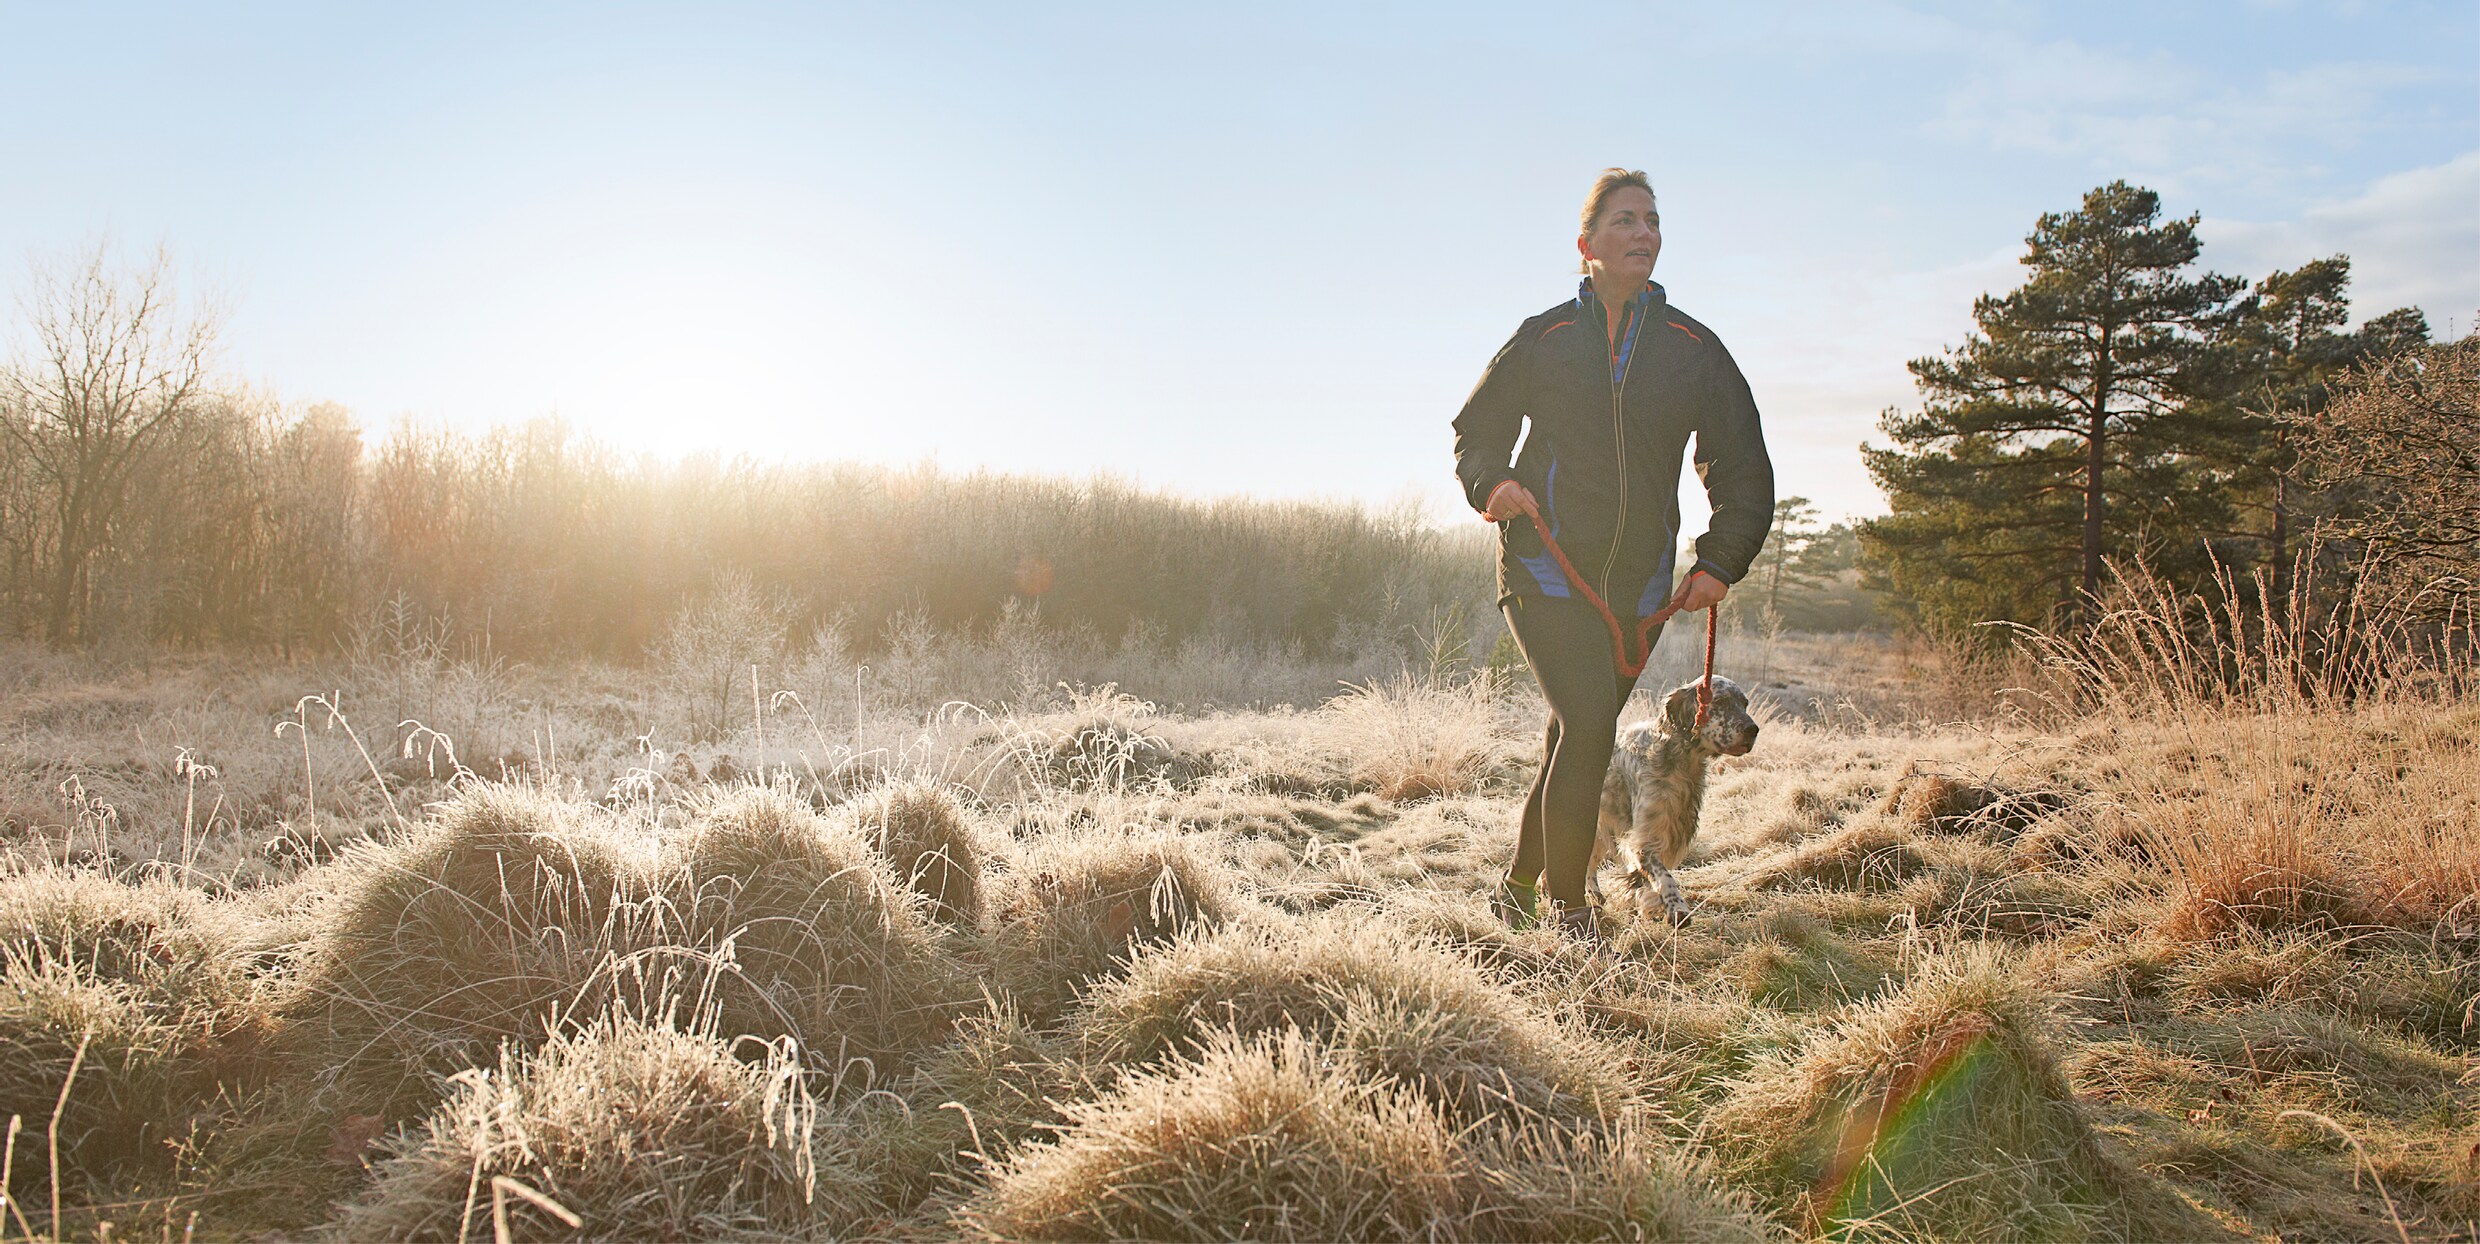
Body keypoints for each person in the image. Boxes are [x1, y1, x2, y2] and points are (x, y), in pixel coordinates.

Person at [1451, 167, 1773, 941]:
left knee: (1574, 734)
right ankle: (1568, 912)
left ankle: (1516, 888)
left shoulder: (1694, 350)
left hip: (1638, 589)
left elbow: (1743, 464)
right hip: (1544, 565)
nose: (1644, 234)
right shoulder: (1547, 338)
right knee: (1592, 725)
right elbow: (1477, 430)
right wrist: (1492, 484)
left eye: (1653, 221)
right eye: (1626, 220)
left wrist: (1718, 559)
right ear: (1586, 244)